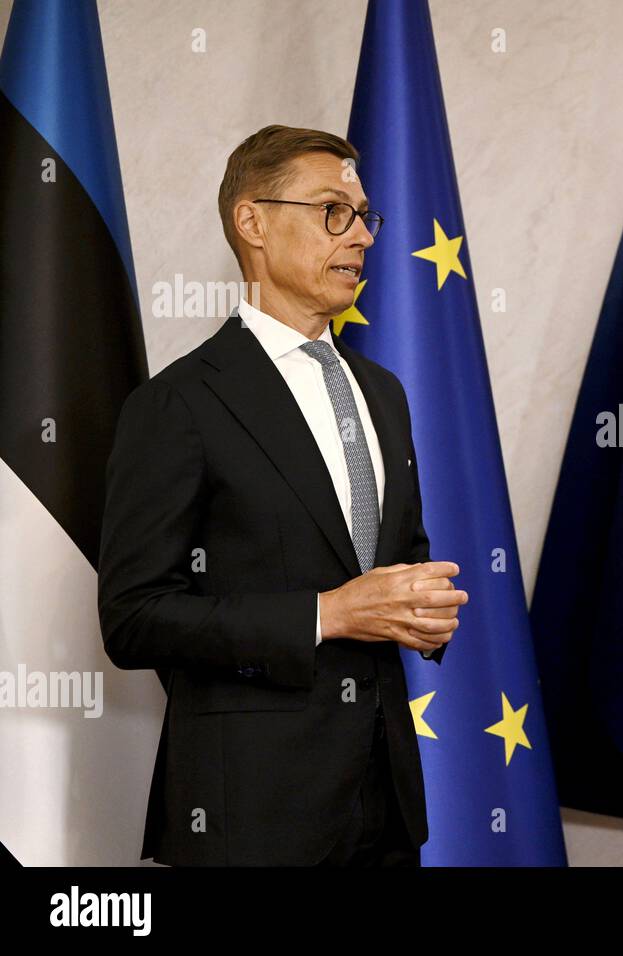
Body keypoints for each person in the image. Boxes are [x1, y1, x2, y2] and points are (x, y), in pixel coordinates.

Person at [98, 125, 467, 866]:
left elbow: (397, 560)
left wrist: (423, 611)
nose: (362, 236)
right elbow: (133, 618)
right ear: (253, 223)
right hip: (249, 819)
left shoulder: (383, 393)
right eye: (334, 211)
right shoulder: (179, 403)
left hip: (386, 808)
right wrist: (326, 614)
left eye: (364, 216)